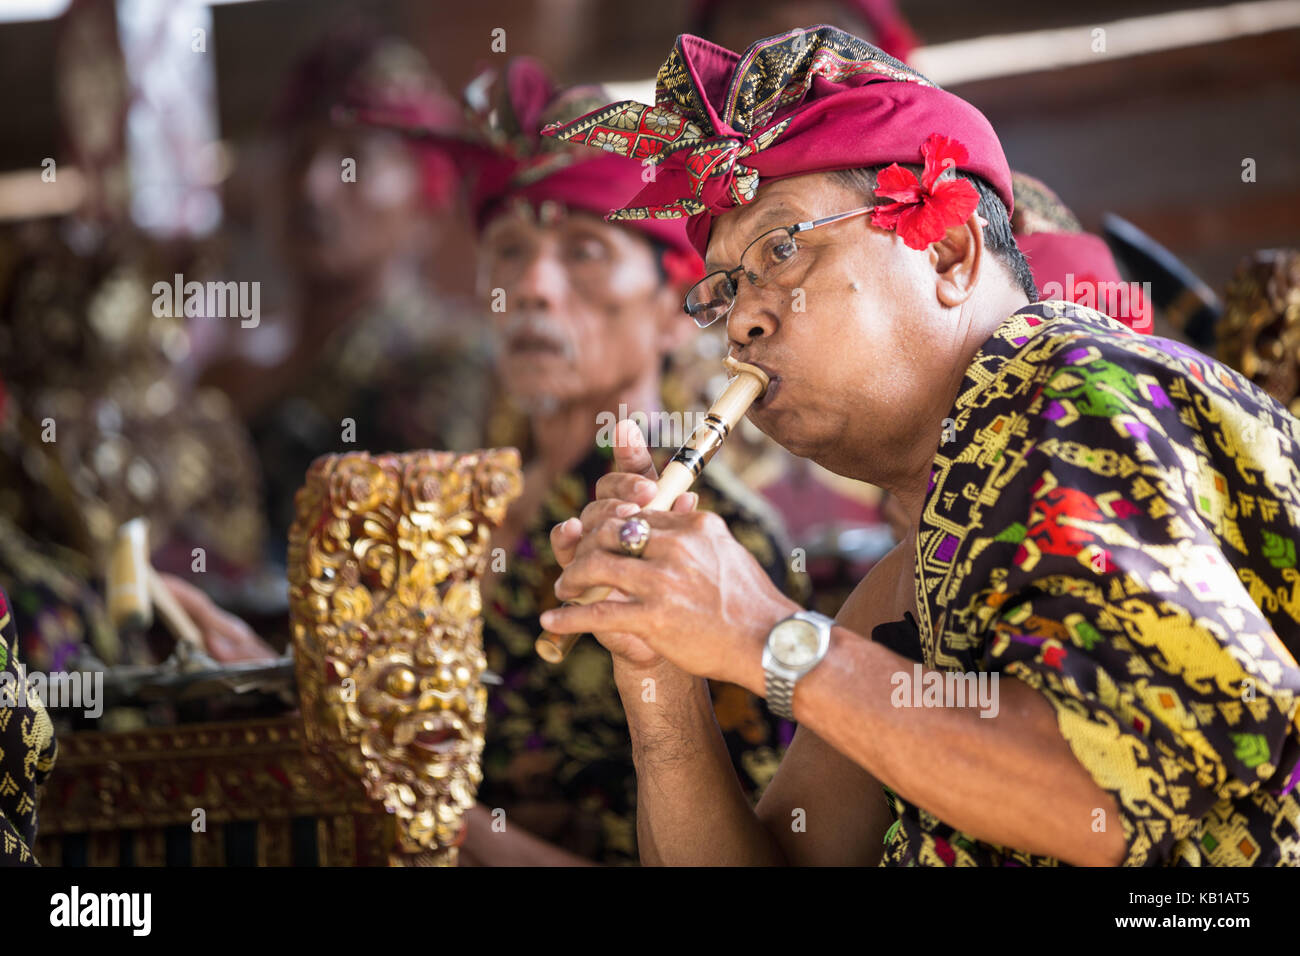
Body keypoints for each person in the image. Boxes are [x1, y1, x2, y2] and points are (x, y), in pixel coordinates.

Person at [539, 26, 1300, 866]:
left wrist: (760, 634)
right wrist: (664, 681)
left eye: (782, 250)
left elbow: (1114, 794)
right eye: (725, 291)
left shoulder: (1081, 385)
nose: (743, 322)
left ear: (946, 249)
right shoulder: (903, 585)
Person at [361, 57, 806, 864]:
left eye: (584, 252)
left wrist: (423, 816)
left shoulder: (718, 538)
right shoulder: (445, 513)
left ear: (677, 311)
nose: (531, 287)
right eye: (508, 250)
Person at [196, 25, 492, 547]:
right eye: (297, 153)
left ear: (427, 203)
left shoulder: (451, 367)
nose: (313, 186)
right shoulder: (232, 376)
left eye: (355, 158)